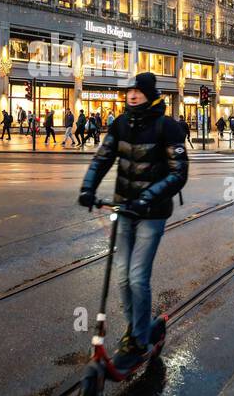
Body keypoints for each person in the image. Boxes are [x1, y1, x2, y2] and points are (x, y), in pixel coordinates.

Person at [78, 72, 189, 368]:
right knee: (123, 275)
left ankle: (140, 338)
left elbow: (179, 174)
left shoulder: (168, 127)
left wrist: (147, 197)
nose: (132, 95)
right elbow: (103, 158)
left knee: (138, 277)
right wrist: (88, 188)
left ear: (151, 94)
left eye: (139, 91)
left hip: (152, 214)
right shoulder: (120, 123)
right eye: (130, 91)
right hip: (125, 209)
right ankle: (135, 328)